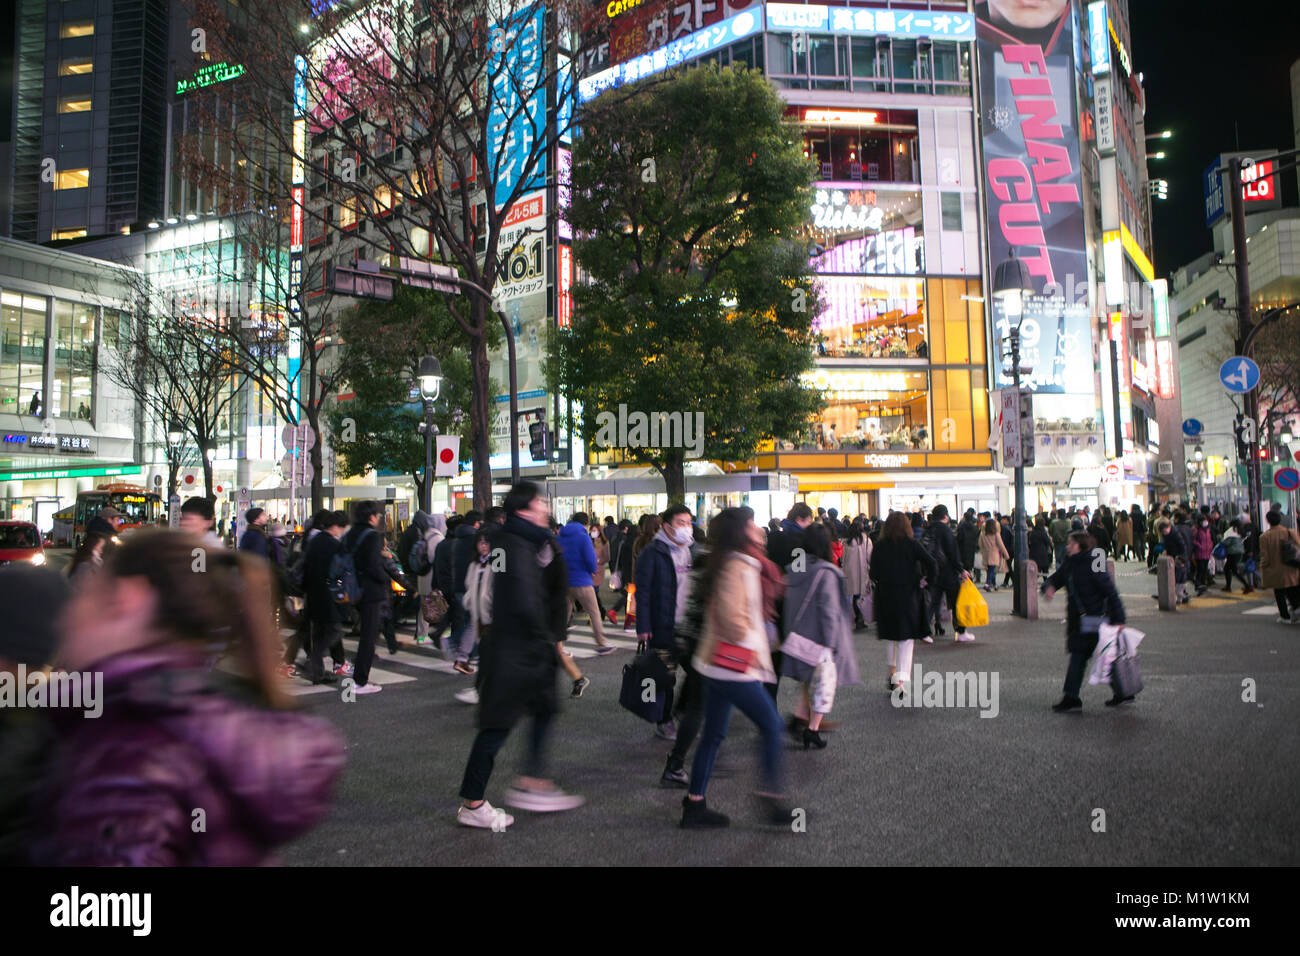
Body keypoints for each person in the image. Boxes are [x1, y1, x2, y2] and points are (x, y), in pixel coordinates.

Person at [32, 531, 345, 864]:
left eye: (85, 596)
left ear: (127, 600)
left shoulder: (125, 751)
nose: (68, 616)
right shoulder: (199, 719)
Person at [455, 482, 585, 829]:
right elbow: (522, 601)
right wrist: (548, 639)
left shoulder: (528, 542)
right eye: (540, 502)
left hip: (523, 651)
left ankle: (532, 782)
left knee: (542, 710)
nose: (545, 507)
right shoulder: (515, 545)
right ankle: (474, 802)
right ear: (525, 509)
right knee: (495, 729)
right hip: (516, 653)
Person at [681, 508, 791, 829]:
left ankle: (694, 805)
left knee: (713, 734)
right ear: (742, 530)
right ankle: (771, 801)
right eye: (752, 522)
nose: (758, 528)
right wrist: (752, 646)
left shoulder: (730, 560)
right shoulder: (737, 565)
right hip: (733, 667)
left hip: (715, 664)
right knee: (772, 726)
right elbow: (731, 618)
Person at [780, 523, 860, 750]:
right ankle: (811, 729)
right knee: (824, 684)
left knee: (808, 680)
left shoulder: (794, 568)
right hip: (819, 638)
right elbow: (829, 610)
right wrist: (832, 643)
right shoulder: (826, 572)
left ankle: (799, 717)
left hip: (798, 637)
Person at [1043, 531, 1129, 711]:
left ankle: (1072, 697)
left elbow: (1111, 592)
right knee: (1100, 657)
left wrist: (1119, 619)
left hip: (1096, 619)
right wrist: (1049, 586)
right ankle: (1123, 692)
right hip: (1081, 620)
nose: (1068, 546)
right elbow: (1057, 578)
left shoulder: (1094, 563)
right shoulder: (1070, 563)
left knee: (1083, 657)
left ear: (1081, 546)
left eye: (1071, 544)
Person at [635, 504, 696, 745]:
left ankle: (681, 711)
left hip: (689, 625)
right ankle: (663, 720)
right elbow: (644, 592)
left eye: (689, 522)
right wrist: (643, 627)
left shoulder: (693, 550)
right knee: (664, 677)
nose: (686, 527)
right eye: (681, 523)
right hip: (664, 624)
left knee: (698, 673)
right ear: (667, 526)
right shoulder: (653, 553)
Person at [871, 511, 937, 693]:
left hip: (885, 596)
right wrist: (926, 581)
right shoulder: (912, 545)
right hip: (908, 596)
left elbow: (873, 573)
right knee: (906, 640)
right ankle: (901, 681)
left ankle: (892, 674)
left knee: (891, 636)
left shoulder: (879, 546)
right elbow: (932, 563)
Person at [341, 500, 388, 694]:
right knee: (369, 636)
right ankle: (360, 681)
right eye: (377, 515)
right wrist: (384, 579)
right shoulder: (373, 536)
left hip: (353, 589)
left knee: (365, 635)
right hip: (370, 591)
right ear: (371, 516)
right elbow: (373, 565)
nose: (378, 518)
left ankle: (359, 677)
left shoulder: (349, 534)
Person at [558, 512, 615, 655]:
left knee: (564, 613)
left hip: (565, 579)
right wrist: (593, 569)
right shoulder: (583, 537)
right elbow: (590, 559)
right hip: (581, 579)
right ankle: (601, 643)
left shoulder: (561, 536)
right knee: (594, 612)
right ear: (586, 523)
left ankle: (556, 644)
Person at [303, 511, 347, 683]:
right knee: (333, 630)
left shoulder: (314, 541)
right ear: (335, 526)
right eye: (342, 528)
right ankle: (315, 660)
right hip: (329, 594)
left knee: (319, 633)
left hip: (313, 593)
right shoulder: (333, 545)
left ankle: (318, 673)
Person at [444, 511, 483, 673]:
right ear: (476, 524)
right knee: (474, 622)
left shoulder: (457, 540)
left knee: (470, 622)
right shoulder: (475, 540)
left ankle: (465, 653)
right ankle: (456, 647)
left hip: (459, 586)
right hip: (472, 587)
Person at [1259, 510, 1300, 623]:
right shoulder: (1289, 532)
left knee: (1279, 594)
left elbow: (1265, 557)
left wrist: (1263, 569)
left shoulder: (1264, 537)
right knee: (1292, 591)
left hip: (1275, 570)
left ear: (1268, 521)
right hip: (1291, 568)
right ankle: (1296, 614)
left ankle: (1285, 616)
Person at [414, 512, 447, 646]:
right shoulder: (437, 538)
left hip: (422, 576)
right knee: (435, 604)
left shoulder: (425, 536)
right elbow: (436, 558)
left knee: (425, 606)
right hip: (432, 576)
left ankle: (423, 633)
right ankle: (426, 634)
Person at [841, 517, 872, 630]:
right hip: (863, 571)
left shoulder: (846, 542)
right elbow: (870, 556)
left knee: (853, 595)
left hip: (849, 572)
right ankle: (860, 617)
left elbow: (843, 558)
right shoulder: (866, 540)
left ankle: (856, 617)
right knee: (861, 595)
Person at [766, 502, 813, 571]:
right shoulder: (801, 540)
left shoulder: (775, 536)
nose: (809, 525)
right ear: (799, 519)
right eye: (809, 521)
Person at [1220, 520, 1253, 594]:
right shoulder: (1241, 531)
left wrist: (1221, 539)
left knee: (1234, 571)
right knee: (1227, 569)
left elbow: (1226, 542)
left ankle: (1247, 586)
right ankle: (1228, 586)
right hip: (1239, 552)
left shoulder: (1231, 532)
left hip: (1232, 552)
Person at [979, 519, 1009, 592]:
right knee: (992, 570)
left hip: (986, 553)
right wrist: (1006, 554)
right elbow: (1001, 545)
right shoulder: (996, 534)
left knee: (991, 569)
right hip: (994, 553)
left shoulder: (983, 534)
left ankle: (995, 584)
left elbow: (980, 544)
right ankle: (987, 584)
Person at [1192, 514, 1215, 595]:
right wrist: (1199, 545)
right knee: (1200, 570)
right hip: (1199, 553)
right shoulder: (1196, 529)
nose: (1205, 522)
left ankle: (1203, 586)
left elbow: (1211, 539)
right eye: (1203, 520)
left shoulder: (1208, 529)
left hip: (1207, 553)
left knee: (1205, 570)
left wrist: (1210, 545)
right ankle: (1198, 586)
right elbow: (1193, 540)